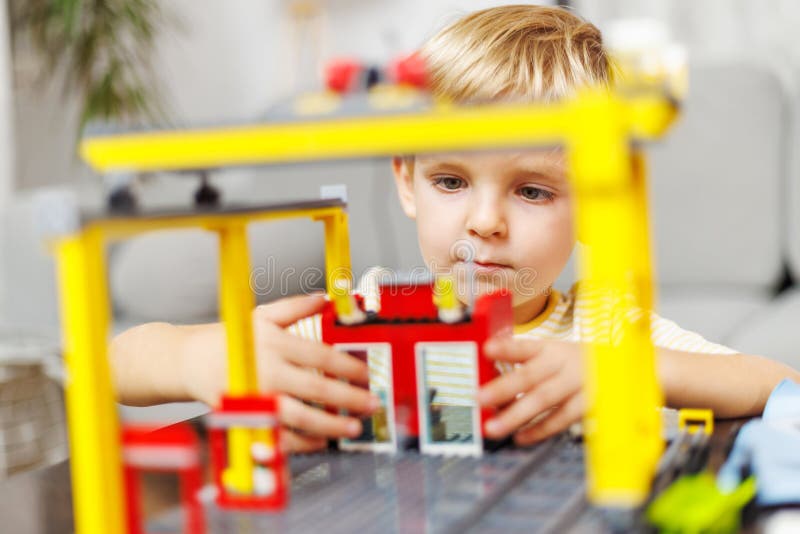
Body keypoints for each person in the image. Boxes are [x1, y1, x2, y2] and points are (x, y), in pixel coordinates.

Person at [111, 4, 800, 451]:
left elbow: (781, 387)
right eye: (451, 181)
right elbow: (111, 365)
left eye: (532, 190)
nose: (485, 222)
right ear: (406, 182)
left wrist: (634, 371)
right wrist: (200, 358)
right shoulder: (368, 317)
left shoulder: (606, 330)